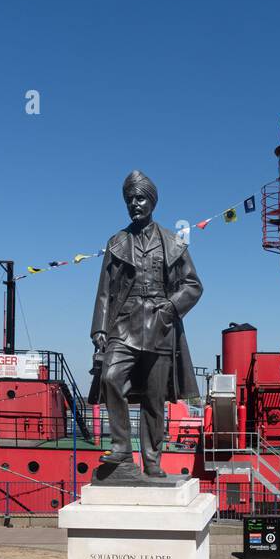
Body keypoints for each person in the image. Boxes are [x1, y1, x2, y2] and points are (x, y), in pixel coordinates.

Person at [89, 170, 202, 480]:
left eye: (140, 198)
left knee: (154, 399)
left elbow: (193, 286)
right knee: (111, 378)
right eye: (129, 200)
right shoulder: (116, 241)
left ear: (152, 201)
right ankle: (122, 447)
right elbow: (104, 290)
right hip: (123, 323)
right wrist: (99, 328)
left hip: (159, 326)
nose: (134, 204)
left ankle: (152, 460)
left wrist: (170, 308)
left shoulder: (172, 242)